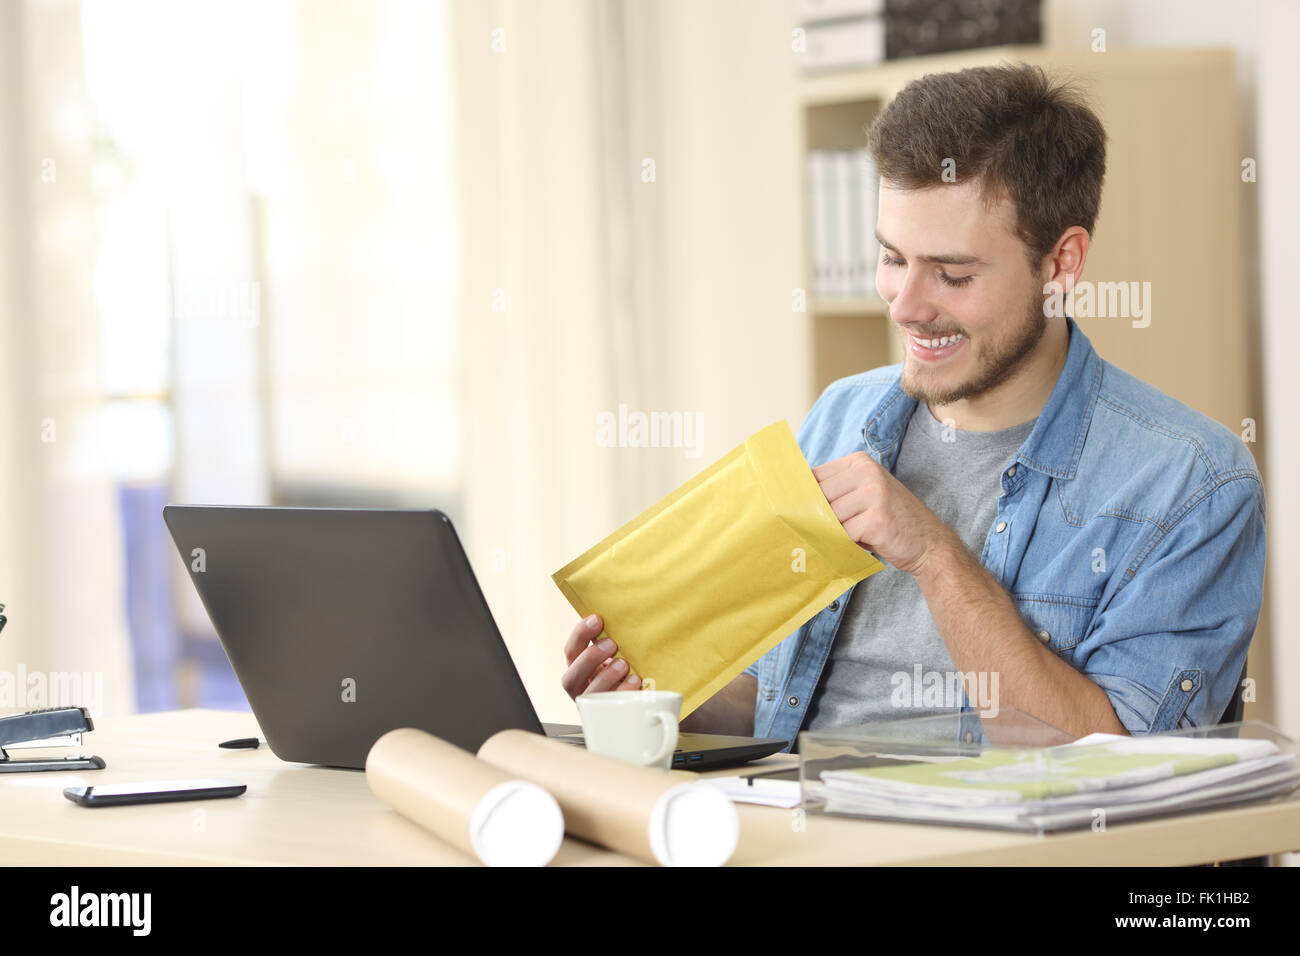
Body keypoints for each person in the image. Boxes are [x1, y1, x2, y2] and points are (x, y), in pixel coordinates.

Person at [561, 62, 1265, 747]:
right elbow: (776, 704)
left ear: (1061, 265)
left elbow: (1120, 773)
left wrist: (933, 554)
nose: (905, 306)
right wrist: (658, 700)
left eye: (952, 275)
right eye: (893, 258)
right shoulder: (842, 416)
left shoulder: (1191, 484)